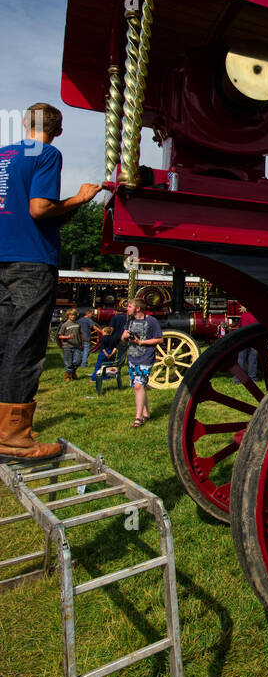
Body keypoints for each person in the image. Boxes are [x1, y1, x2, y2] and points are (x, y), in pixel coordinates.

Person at [0, 103, 101, 459]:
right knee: (26, 343)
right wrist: (80, 199)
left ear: (25, 122)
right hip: (31, 259)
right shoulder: (47, 153)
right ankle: (14, 435)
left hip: (2, 256)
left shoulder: (4, 155)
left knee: (3, 340)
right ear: (57, 130)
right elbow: (40, 209)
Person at [122, 299, 163, 426]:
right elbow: (123, 339)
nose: (127, 308)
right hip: (132, 357)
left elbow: (160, 339)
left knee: (138, 386)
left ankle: (138, 418)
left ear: (138, 309)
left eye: (129, 306)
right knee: (139, 386)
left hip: (146, 357)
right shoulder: (130, 321)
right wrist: (124, 337)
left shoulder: (151, 321)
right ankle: (146, 413)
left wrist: (141, 342)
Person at [90, 301, 133, 383]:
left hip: (115, 338)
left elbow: (111, 329)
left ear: (116, 311)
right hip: (125, 337)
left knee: (113, 353)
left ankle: (110, 369)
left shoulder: (115, 318)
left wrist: (108, 335)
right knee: (122, 354)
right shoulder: (127, 317)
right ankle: (119, 368)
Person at [57, 308, 83, 381]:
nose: (73, 316)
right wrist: (67, 337)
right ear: (68, 316)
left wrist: (82, 344)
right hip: (67, 346)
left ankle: (72, 371)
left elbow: (81, 334)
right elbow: (60, 336)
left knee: (78, 361)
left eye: (74, 315)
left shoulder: (78, 324)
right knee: (68, 363)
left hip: (77, 346)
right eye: (71, 315)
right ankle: (68, 376)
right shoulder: (64, 325)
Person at [236, 304, 259, 381]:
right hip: (254, 339)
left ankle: (239, 378)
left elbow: (239, 327)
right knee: (253, 360)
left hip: (243, 339)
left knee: (241, 360)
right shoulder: (257, 317)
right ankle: (252, 377)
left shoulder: (243, 316)